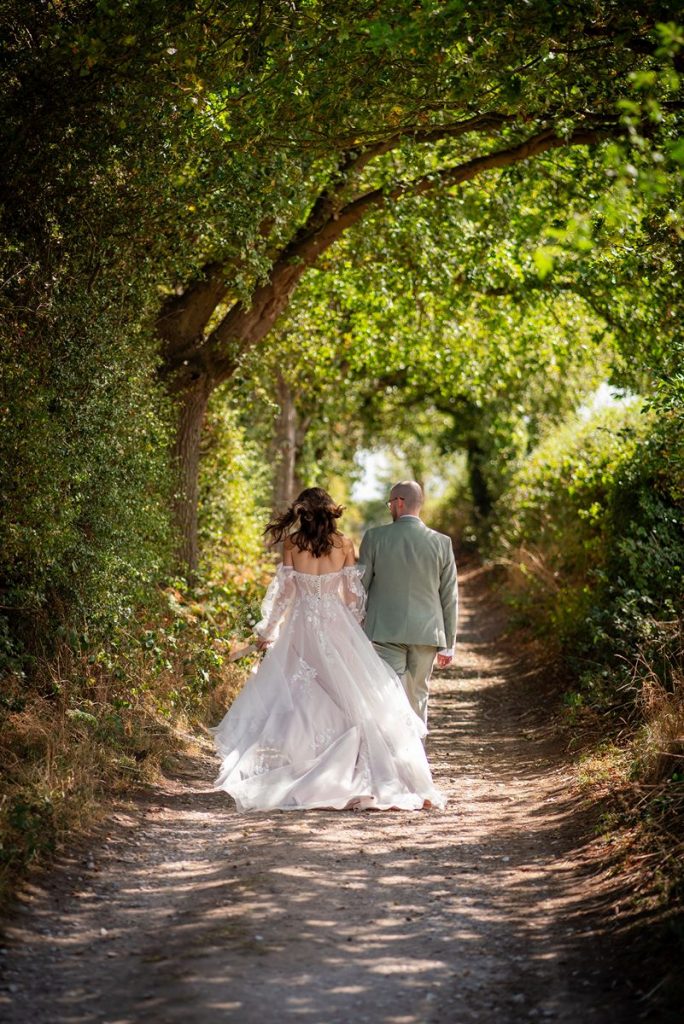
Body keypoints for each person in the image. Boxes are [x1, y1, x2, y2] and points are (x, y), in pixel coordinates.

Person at [211, 487, 445, 813]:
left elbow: (283, 594)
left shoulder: (292, 544)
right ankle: (348, 769)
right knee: (349, 696)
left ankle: (309, 765)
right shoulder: (344, 544)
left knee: (301, 696)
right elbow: (354, 598)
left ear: (303, 513)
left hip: (300, 628)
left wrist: (268, 631)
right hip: (337, 626)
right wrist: (353, 630)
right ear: (329, 511)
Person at [359, 481, 458, 727]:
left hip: (384, 630)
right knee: (418, 694)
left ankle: (391, 746)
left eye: (390, 503)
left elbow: (360, 588)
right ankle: (415, 749)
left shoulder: (374, 538)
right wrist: (448, 643)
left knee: (386, 692)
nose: (390, 508)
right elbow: (449, 595)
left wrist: (356, 626)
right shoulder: (442, 542)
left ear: (399, 502)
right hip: (427, 632)